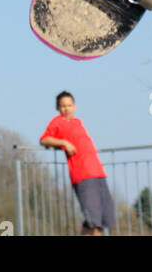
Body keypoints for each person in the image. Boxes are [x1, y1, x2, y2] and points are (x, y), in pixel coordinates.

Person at [40, 91, 116, 236]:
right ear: (58, 108)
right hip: (83, 175)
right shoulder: (57, 122)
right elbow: (44, 139)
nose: (66, 109)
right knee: (93, 220)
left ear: (74, 106)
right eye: (62, 106)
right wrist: (63, 143)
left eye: (69, 105)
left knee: (101, 220)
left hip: (98, 173)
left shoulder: (78, 122)